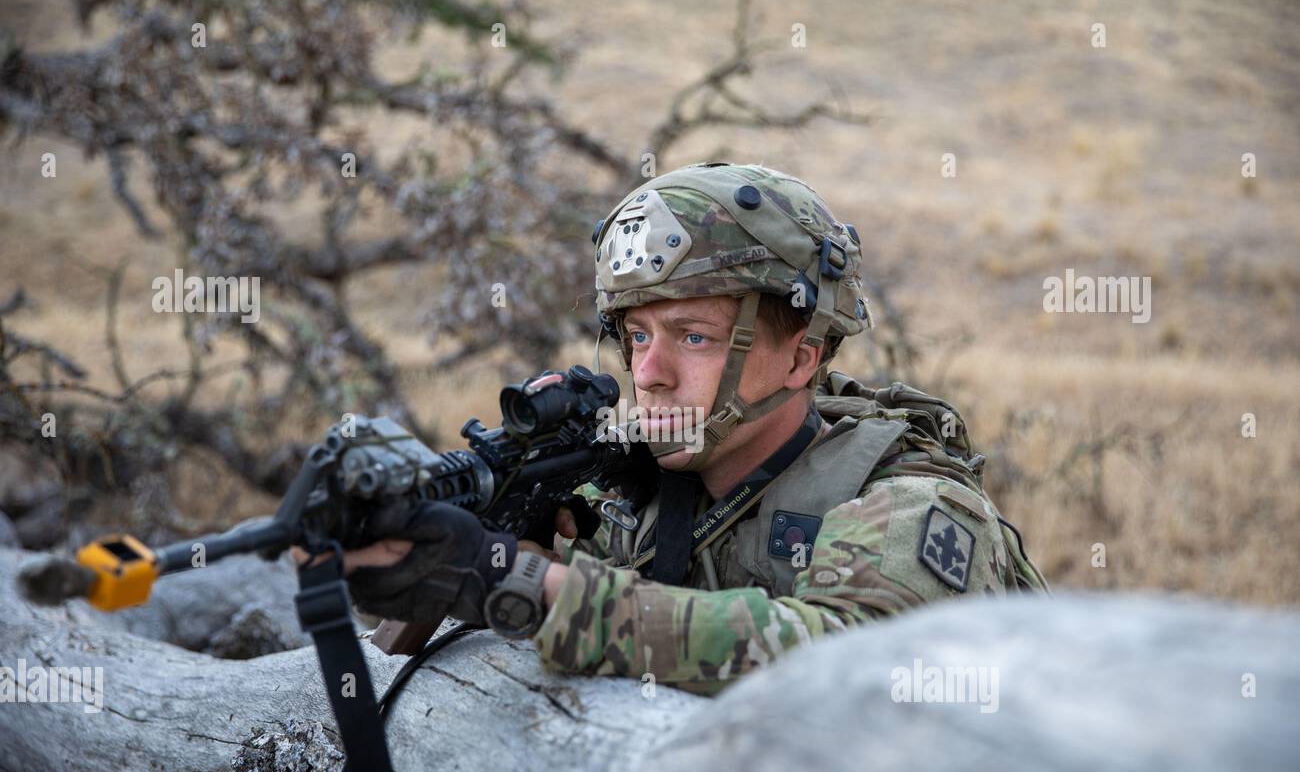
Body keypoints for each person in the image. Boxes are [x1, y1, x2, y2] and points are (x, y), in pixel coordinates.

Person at [307, 162, 1048, 696]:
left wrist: (526, 586)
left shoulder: (910, 497)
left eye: (693, 337)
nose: (651, 371)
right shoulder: (636, 483)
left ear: (801, 358)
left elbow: (840, 662)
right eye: (637, 337)